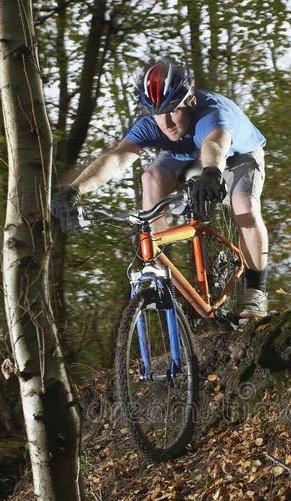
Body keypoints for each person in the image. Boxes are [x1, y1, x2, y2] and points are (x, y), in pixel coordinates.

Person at [52, 57, 269, 318]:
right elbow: (117, 157)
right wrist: (75, 189)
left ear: (190, 101)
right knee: (151, 178)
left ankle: (256, 291)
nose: (165, 122)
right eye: (156, 113)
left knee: (244, 205)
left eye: (172, 110)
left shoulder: (212, 115)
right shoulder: (153, 124)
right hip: (186, 155)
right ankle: (160, 267)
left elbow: (215, 145)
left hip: (236, 154)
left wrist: (211, 173)